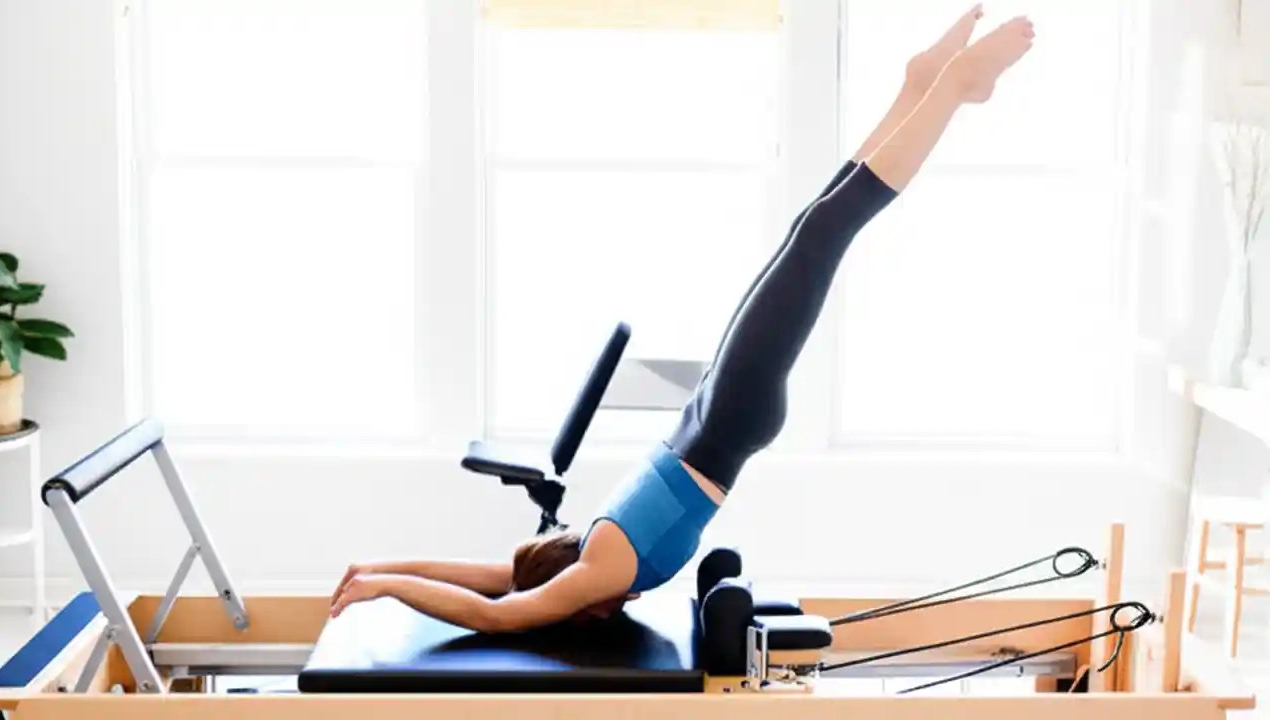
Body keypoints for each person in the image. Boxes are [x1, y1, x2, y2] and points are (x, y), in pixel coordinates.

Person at [330, 6, 1035, 632]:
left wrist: (383, 579)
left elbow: (498, 604)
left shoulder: (599, 572)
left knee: (817, 232)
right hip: (719, 413)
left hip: (728, 414)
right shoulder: (591, 551)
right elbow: (494, 585)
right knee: (818, 232)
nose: (615, 611)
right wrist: (380, 576)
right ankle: (938, 91)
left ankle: (929, 88)